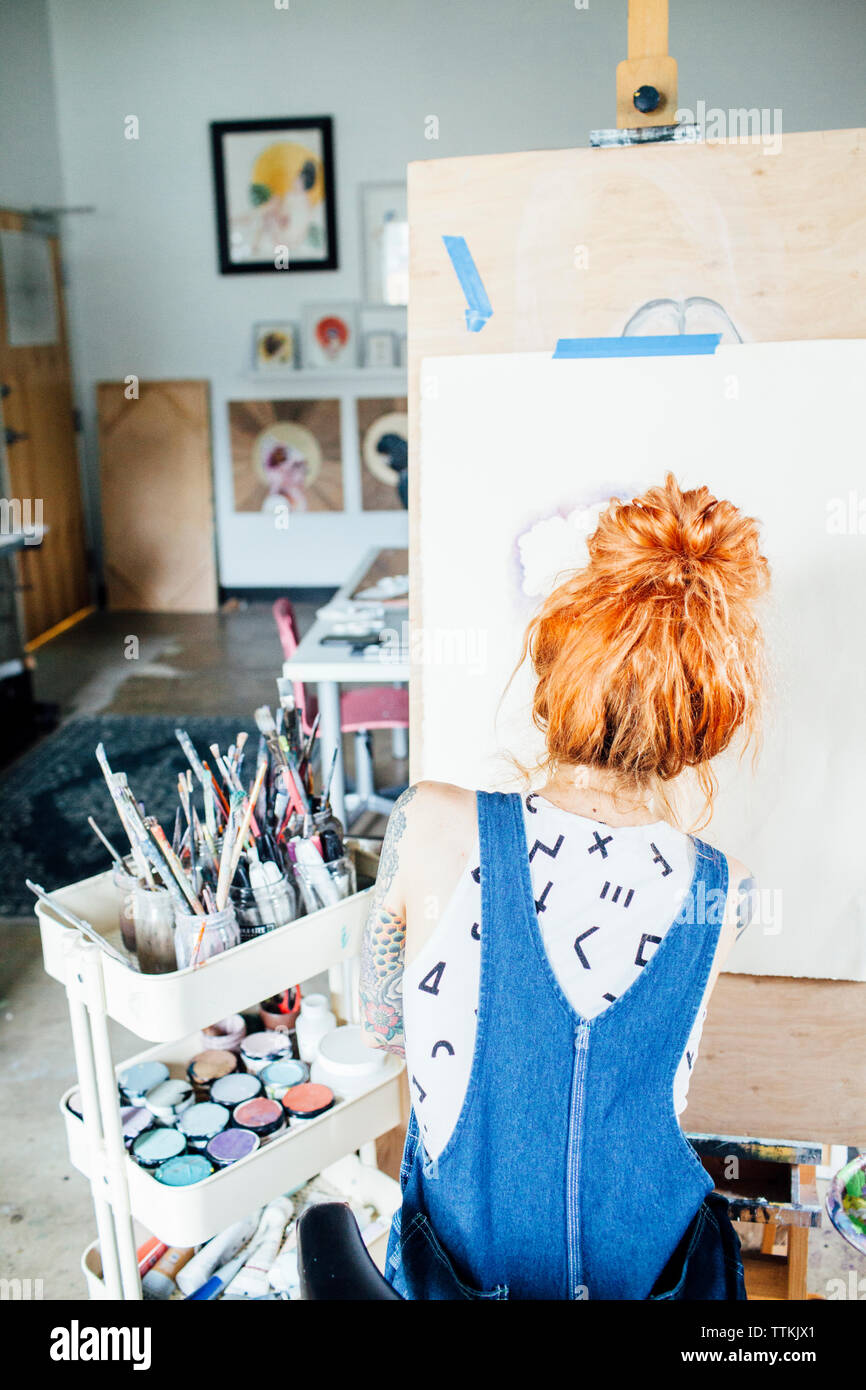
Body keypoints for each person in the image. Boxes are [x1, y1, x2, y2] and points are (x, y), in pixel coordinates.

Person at [360, 474, 769, 1300]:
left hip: (469, 1274)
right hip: (649, 1274)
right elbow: (660, 1093)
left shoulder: (432, 822)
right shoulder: (716, 892)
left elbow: (381, 1030)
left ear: (552, 674)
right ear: (703, 725)